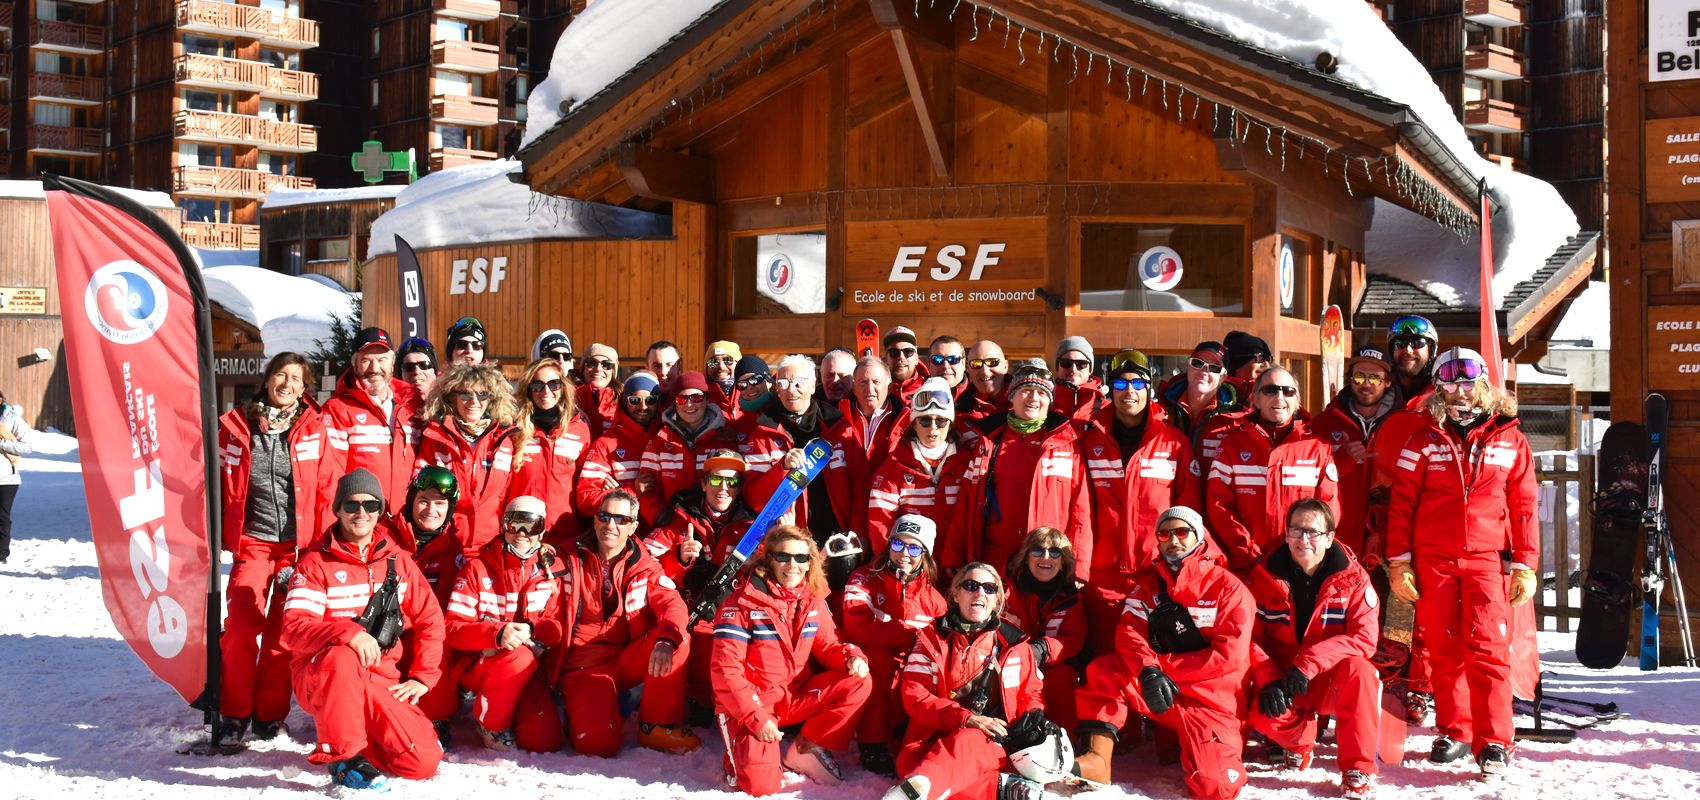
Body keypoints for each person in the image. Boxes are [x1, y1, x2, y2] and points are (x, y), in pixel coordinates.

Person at [1385, 347, 1538, 779]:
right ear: (1438, 388)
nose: (1460, 392)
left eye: (1468, 382)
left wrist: (1524, 563)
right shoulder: (1423, 437)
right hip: (1432, 558)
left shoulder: (1510, 438)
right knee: (1443, 647)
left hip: (1486, 558)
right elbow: (1402, 504)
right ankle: (1455, 729)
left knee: (1488, 648)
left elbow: (1524, 505)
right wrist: (1400, 562)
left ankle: (1494, 741)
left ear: (1484, 384)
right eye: (1449, 383)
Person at [282, 469, 445, 791]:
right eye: (352, 505)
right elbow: (293, 628)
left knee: (422, 763)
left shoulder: (397, 561)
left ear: (380, 510)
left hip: (380, 677)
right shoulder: (315, 564)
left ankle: (349, 731)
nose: (361, 513)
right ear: (338, 509)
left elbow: (430, 620)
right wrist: (348, 632)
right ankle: (342, 757)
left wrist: (422, 676)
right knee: (342, 656)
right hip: (322, 676)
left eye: (371, 506)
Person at [1073, 506, 1252, 799]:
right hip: (1161, 691)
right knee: (1106, 669)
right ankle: (1097, 760)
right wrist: (1147, 671)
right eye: (1164, 533)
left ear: (1199, 536)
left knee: (1217, 788)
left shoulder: (1229, 588)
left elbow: (1228, 657)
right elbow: (1129, 633)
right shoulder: (1147, 586)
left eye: (1182, 532)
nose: (1174, 540)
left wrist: (1161, 668)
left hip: (1210, 702)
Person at [214, 353, 338, 741]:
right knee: (239, 627)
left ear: (305, 388)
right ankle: (234, 712)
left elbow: (327, 489)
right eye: (281, 375)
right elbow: (213, 481)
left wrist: (319, 549)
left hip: (296, 551)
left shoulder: (315, 429)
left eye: (296, 379)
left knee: (284, 633)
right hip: (252, 544)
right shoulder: (235, 426)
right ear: (267, 380)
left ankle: (269, 714)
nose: (287, 384)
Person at [711, 525, 871, 794]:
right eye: (783, 557)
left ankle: (806, 748)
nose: (792, 565)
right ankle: (740, 759)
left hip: (790, 696)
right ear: (770, 559)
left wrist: (850, 657)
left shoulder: (812, 600)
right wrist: (756, 717)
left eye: (801, 558)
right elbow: (725, 671)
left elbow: (828, 645)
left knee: (858, 681)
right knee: (760, 786)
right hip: (751, 703)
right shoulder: (741, 604)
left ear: (810, 563)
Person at [1248, 498, 1381, 799]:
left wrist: (1308, 663)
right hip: (1283, 679)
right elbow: (1247, 637)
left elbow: (1365, 638)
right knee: (1252, 705)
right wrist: (1267, 678)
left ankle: (1357, 768)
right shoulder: (1263, 576)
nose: (1303, 540)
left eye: (1312, 532)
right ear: (1286, 534)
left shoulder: (1354, 579)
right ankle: (1299, 740)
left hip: (1327, 678)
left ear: (1330, 537)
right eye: (1296, 531)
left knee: (1361, 671)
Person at [885, 564, 1053, 800]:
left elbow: (1032, 692)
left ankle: (915, 794)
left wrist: (1031, 717)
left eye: (989, 588)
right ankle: (1003, 788)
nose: (980, 593)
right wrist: (964, 718)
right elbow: (915, 694)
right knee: (911, 764)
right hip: (937, 733)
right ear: (956, 594)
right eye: (971, 585)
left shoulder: (1015, 645)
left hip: (993, 739)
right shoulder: (931, 639)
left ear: (997, 599)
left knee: (962, 745)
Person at [555, 490, 699, 756]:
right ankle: (589, 711)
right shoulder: (566, 556)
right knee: (599, 746)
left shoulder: (643, 565)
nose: (611, 525)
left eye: (621, 519)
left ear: (633, 527)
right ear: (595, 520)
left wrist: (667, 638)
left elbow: (672, 603)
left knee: (676, 638)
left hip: (625, 658)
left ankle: (655, 726)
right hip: (584, 667)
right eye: (605, 516)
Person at [1078, 349, 1199, 649]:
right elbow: (1080, 509)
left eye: (1137, 384)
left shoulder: (1173, 442)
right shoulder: (1090, 440)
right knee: (1104, 667)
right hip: (1102, 580)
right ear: (1110, 389)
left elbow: (1190, 511)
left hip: (1156, 575)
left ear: (1148, 388)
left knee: (1151, 668)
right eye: (1120, 384)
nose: (1128, 391)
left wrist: (1181, 567)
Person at [948, 361, 1093, 582]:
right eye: (1025, 390)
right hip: (996, 560)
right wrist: (954, 553)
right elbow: (967, 501)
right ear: (1012, 397)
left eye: (1041, 392)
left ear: (1050, 400)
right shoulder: (989, 442)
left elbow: (1081, 510)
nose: (1033, 398)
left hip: (1047, 560)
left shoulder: (1067, 444)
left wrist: (1080, 569)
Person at [440, 496, 565, 753]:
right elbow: (452, 629)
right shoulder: (477, 568)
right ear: (503, 525)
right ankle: (490, 723)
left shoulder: (552, 572)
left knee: (544, 740)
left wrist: (532, 628)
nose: (521, 533)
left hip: (528, 667)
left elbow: (558, 626)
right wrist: (496, 634)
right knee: (517, 656)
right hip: (481, 662)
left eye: (531, 525)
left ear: (542, 529)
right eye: (514, 523)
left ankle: (505, 705)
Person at [1365, 315, 1440, 722]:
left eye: (1417, 344)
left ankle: (1421, 685)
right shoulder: (1381, 394)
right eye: (1401, 344)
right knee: (1385, 598)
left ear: (1430, 351)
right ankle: (1392, 675)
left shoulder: (1439, 396)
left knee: (1421, 604)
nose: (1408, 351)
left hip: (1427, 512)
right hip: (1380, 509)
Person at [642, 450, 755, 706]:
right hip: (687, 617)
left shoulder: (751, 527)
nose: (723, 488)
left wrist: (757, 568)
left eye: (732, 482)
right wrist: (677, 559)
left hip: (730, 621)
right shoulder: (679, 520)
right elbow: (642, 567)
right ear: (704, 483)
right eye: (716, 480)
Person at [841, 514, 948, 777]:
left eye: (914, 548)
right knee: (878, 659)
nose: (904, 554)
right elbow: (857, 626)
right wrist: (910, 636)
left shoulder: (935, 601)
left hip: (907, 671)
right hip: (862, 663)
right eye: (898, 545)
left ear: (925, 554)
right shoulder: (864, 577)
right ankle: (872, 744)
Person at [1206, 367, 1340, 574]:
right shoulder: (1232, 446)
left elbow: (1328, 509)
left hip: (1301, 565)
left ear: (1297, 401)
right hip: (1246, 565)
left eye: (1288, 391)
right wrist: (1247, 550)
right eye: (1270, 390)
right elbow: (1218, 506)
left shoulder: (1317, 449)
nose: (1280, 396)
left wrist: (1302, 551)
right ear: (1256, 399)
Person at [414, 363, 519, 554]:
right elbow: (417, 491)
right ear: (452, 397)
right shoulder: (435, 438)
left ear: (492, 399)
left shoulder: (503, 440)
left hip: (490, 548)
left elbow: (509, 495)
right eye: (464, 394)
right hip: (446, 546)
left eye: (482, 394)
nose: (473, 401)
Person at [1309, 347, 1399, 561]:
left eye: (1375, 378)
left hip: (1391, 541)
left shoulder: (1403, 423)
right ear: (1350, 380)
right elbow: (1310, 480)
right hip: (1339, 538)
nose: (1366, 384)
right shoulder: (1324, 423)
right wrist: (1345, 459)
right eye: (1359, 376)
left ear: (1387, 382)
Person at [865, 378, 974, 556]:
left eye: (940, 421)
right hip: (910, 564)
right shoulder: (895, 466)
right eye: (924, 420)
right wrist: (894, 565)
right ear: (914, 424)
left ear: (950, 423)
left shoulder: (966, 464)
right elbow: (881, 526)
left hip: (954, 565)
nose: (933, 428)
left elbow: (973, 520)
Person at [324, 327, 423, 513]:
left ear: (392, 364)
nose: (374, 368)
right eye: (366, 360)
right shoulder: (338, 409)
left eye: (382, 360)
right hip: (363, 519)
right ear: (354, 364)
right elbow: (331, 475)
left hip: (407, 519)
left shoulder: (413, 406)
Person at [1001, 526, 1087, 731]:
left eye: (1055, 552)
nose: (1046, 557)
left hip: (1049, 664)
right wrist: (1022, 654)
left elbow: (1072, 638)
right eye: (1037, 550)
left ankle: (1063, 740)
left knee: (1063, 676)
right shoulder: (1005, 591)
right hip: (1011, 662)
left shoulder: (1070, 597)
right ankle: (1013, 734)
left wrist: (1042, 649)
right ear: (1026, 555)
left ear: (1063, 560)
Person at [509, 357, 593, 547]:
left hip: (565, 535)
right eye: (538, 385)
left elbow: (586, 484)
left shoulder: (579, 430)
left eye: (553, 384)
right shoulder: (514, 430)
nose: (546, 391)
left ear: (562, 387)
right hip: (522, 533)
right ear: (529, 389)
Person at [638, 370, 737, 514]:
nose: (689, 404)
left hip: (712, 525)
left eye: (696, 397)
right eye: (682, 399)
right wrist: (659, 515)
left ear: (707, 399)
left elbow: (734, 487)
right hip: (671, 525)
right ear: (675, 402)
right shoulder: (659, 442)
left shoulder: (723, 440)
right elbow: (647, 490)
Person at [576, 371, 662, 523]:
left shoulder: (666, 439)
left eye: (651, 400)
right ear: (624, 401)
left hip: (662, 535)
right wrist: (630, 489)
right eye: (635, 400)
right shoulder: (606, 444)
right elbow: (585, 500)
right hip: (619, 537)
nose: (643, 406)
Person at [1156, 341, 1247, 475]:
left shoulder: (1237, 419)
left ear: (1223, 377)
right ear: (1188, 365)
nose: (1204, 371)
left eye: (1214, 368)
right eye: (1197, 363)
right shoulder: (1162, 410)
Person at [0, 390, 33, 564]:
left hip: (7, 478)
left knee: (2, 516)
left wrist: (2, 443)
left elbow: (28, 447)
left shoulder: (12, 420)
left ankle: (2, 553)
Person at [955, 340, 1010, 429]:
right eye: (976, 364)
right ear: (968, 369)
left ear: (1005, 366)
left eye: (992, 362)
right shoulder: (958, 412)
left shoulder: (1027, 404)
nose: (984, 371)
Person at [1051, 335, 1105, 422]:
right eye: (1066, 363)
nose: (1073, 369)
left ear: (1089, 369)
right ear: (1058, 367)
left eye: (1081, 363)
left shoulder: (1107, 409)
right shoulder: (1043, 404)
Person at [575, 343, 622, 437]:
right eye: (592, 363)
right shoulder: (568, 397)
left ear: (613, 371)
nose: (598, 369)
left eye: (606, 365)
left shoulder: (623, 401)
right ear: (583, 367)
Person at [883, 326, 929, 404]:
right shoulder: (876, 390)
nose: (901, 357)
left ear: (916, 359)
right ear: (886, 359)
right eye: (894, 352)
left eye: (908, 351)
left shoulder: (930, 388)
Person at [705, 340, 743, 415]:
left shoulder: (751, 394)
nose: (721, 367)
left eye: (728, 360)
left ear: (739, 365)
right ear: (706, 368)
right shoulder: (699, 399)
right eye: (713, 362)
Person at [733, 354, 774, 419]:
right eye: (742, 384)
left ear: (769, 380)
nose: (749, 387)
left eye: (755, 379)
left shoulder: (788, 408)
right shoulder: (739, 426)